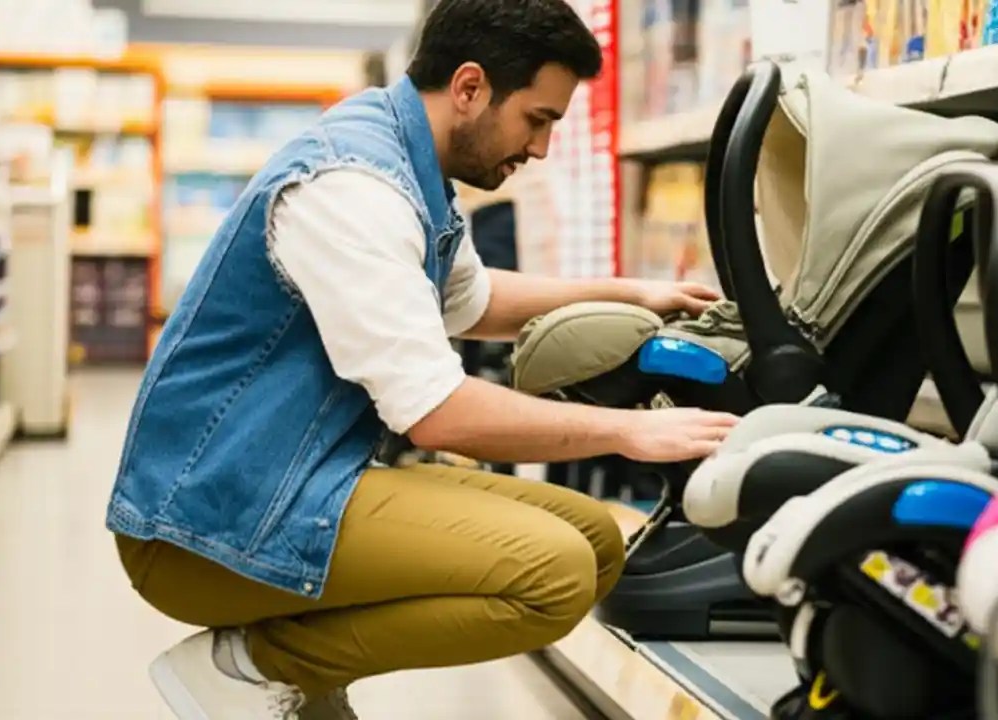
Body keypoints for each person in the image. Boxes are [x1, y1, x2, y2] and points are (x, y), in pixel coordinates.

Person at [104, 1, 739, 717]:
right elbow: (438, 413)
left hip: (298, 479)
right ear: (469, 88)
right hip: (211, 520)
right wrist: (631, 432)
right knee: (555, 573)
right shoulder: (354, 191)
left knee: (595, 541)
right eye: (538, 119)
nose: (541, 150)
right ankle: (252, 666)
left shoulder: (407, 156)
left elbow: (470, 297)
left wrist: (631, 293)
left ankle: (300, 682)